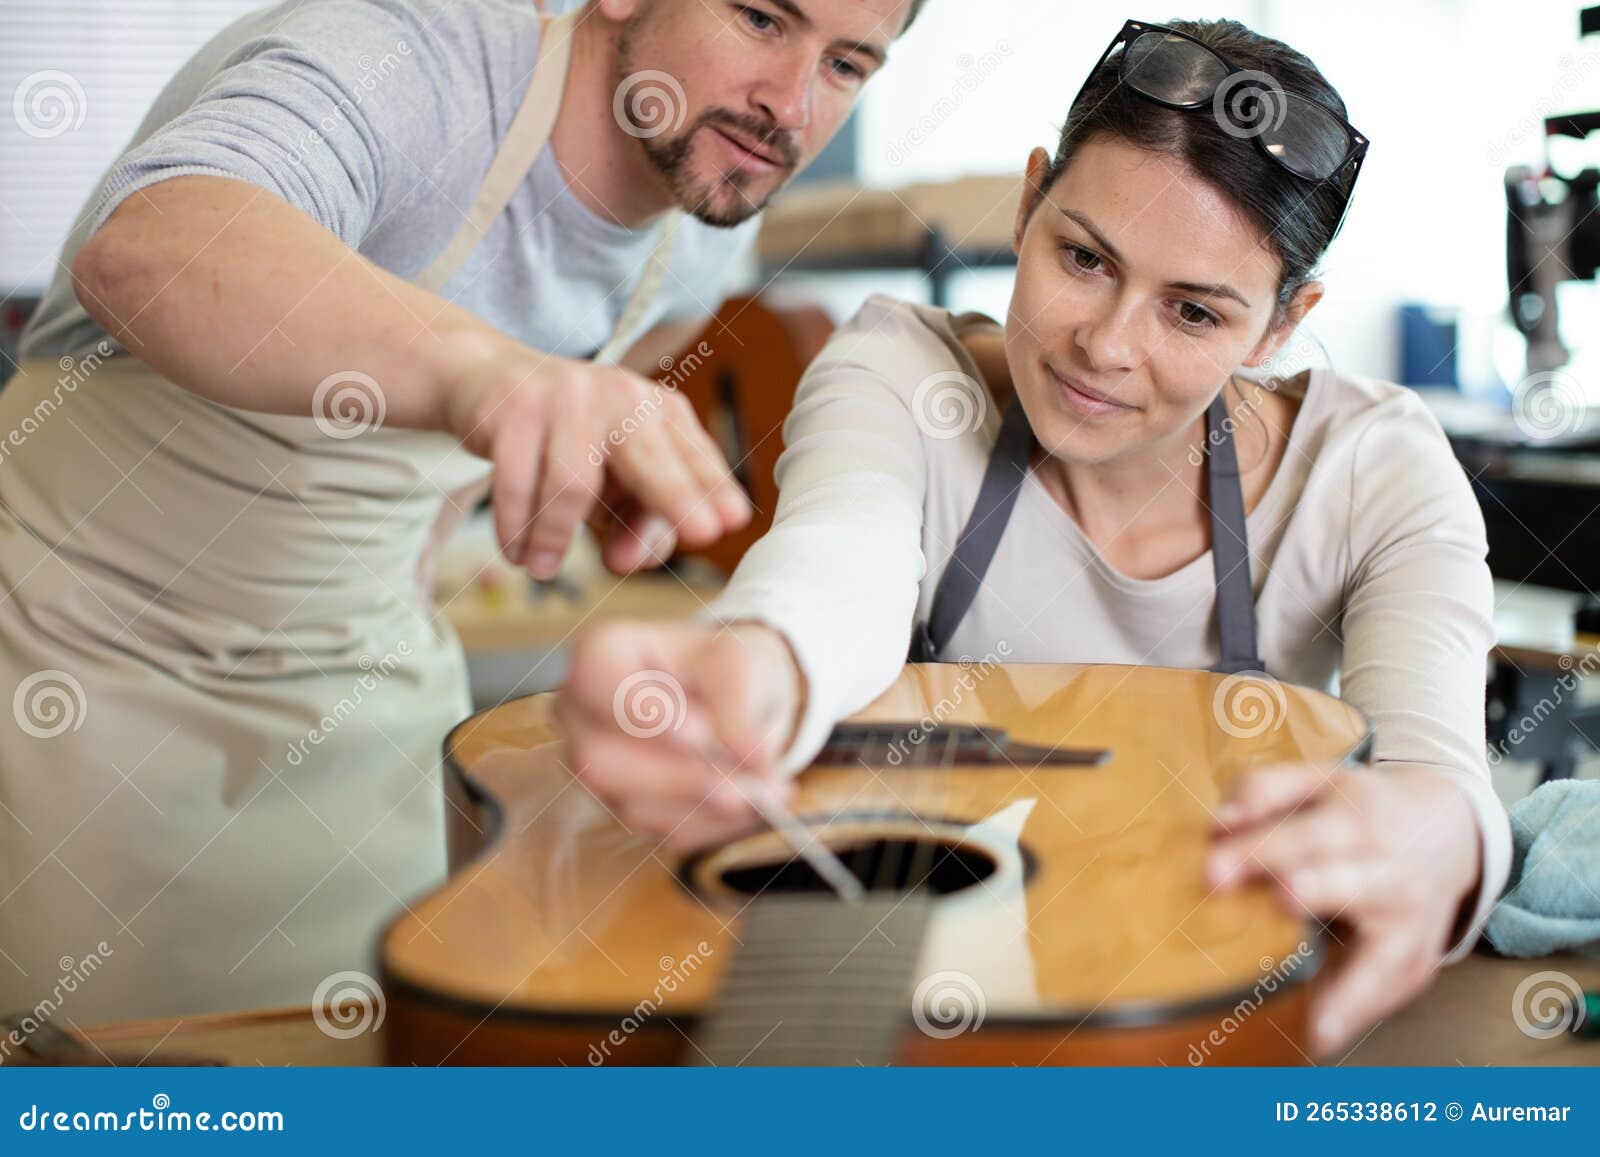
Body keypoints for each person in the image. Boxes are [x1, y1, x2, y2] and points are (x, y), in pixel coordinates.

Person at [560, 17, 1512, 1056]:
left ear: (1281, 326)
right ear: (1028, 205)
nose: (1106, 346)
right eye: (1084, 258)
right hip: (934, 998)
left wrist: (1441, 832)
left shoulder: (1371, 471)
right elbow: (838, 569)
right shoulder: (900, 374)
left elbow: (1440, 772)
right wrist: (751, 669)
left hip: (1204, 1000)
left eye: (1192, 314)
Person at [0, 0, 928, 1023]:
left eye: (846, 64)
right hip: (70, 665)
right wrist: (489, 374)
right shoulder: (408, 57)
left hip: (356, 693)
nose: (789, 106)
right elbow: (146, 246)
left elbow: (441, 483)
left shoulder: (699, 242)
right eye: (760, 18)